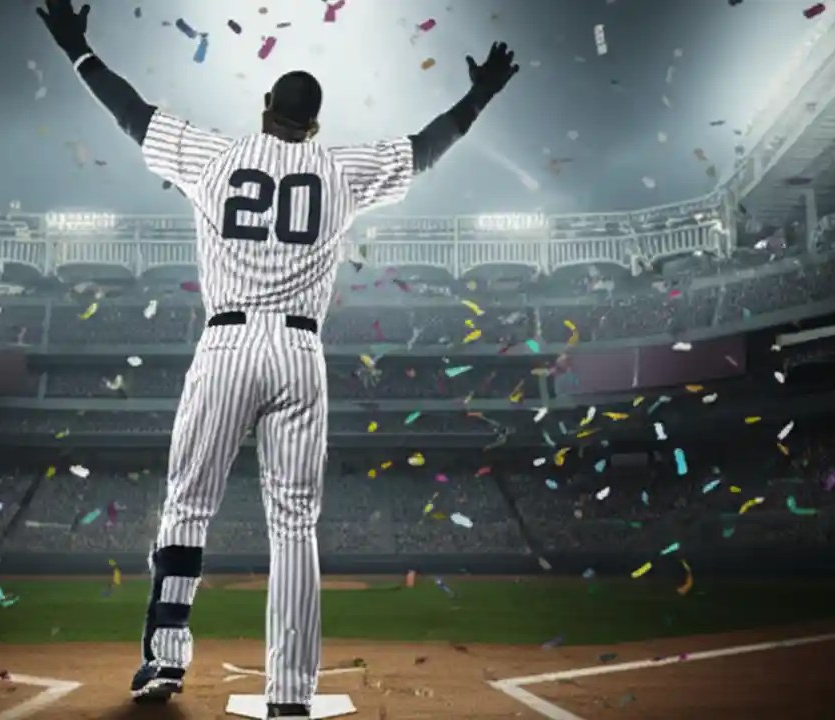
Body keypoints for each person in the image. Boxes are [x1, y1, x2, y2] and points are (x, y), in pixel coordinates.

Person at [37, 3, 519, 717]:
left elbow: (131, 114)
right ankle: (290, 697)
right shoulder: (340, 169)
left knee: (187, 509)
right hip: (298, 350)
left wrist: (79, 51)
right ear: (315, 125)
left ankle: (164, 663)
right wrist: (478, 95)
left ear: (265, 109)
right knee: (293, 525)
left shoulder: (215, 157)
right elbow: (424, 148)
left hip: (227, 344)